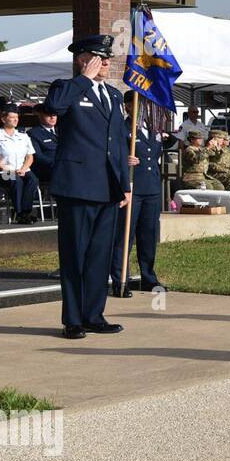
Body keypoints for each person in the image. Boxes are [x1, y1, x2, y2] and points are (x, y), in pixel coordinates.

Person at [43, 34, 130, 339]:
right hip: (78, 186)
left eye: (108, 58)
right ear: (83, 58)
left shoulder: (114, 96)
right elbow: (53, 108)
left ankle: (94, 314)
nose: (107, 63)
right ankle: (74, 320)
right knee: (74, 255)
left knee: (99, 256)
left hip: (108, 187)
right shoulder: (65, 87)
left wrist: (125, 184)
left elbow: (118, 144)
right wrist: (83, 79)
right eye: (100, 57)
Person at [111, 112, 164, 296]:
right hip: (132, 187)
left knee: (148, 235)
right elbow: (111, 151)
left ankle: (148, 277)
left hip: (151, 187)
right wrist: (123, 160)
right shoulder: (122, 128)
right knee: (125, 235)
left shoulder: (154, 129)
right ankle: (120, 279)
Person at [0, 106, 40, 224]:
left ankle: (26, 211)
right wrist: (8, 170)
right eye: (12, 117)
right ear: (4, 119)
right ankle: (20, 213)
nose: (16, 120)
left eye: (17, 117)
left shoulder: (23, 136)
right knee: (16, 180)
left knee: (33, 180)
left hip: (22, 169)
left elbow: (30, 156)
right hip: (1, 172)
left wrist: (23, 169)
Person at [28, 103, 58, 186]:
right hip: (47, 168)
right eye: (48, 115)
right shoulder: (34, 133)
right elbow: (38, 156)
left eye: (54, 115)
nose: (52, 117)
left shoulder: (62, 131)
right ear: (40, 115)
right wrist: (57, 163)